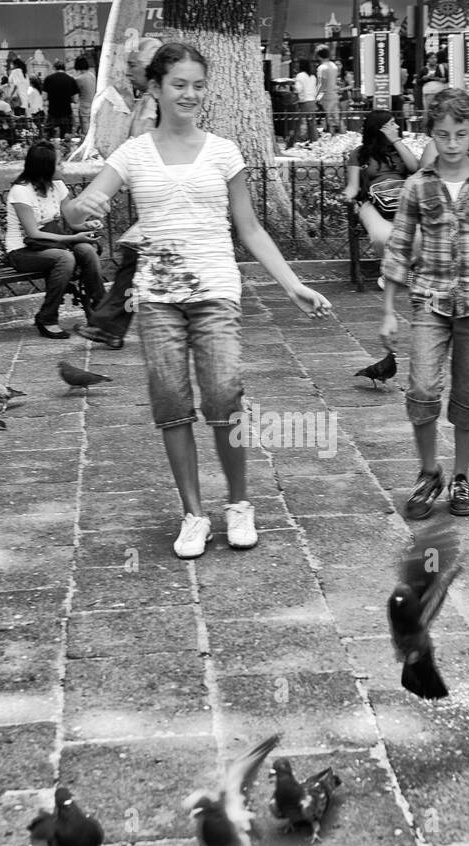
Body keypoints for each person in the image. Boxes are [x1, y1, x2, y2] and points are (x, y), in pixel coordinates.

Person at [63, 42, 333, 559]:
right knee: (171, 404)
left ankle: (238, 504)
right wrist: (81, 208)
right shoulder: (132, 153)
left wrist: (291, 283)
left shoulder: (223, 151)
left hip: (215, 291)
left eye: (198, 85)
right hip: (159, 297)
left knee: (224, 397)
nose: (190, 94)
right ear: (156, 90)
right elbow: (77, 214)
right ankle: (193, 515)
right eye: (179, 85)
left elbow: (249, 228)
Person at [381, 88, 469, 521]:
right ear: (431, 135)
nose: (453, 143)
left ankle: (461, 475)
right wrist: (388, 309)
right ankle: (429, 472)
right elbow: (399, 248)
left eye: (461, 133)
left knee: (468, 395)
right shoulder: (417, 186)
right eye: (443, 134)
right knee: (422, 390)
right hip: (429, 301)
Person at [71, 37, 161, 350]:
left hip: (165, 202)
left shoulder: (154, 103)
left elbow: (144, 147)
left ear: (151, 69)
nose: (128, 72)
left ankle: (110, 324)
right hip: (154, 201)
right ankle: (111, 324)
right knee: (136, 264)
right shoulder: (148, 100)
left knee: (136, 263)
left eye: (133, 65)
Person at [4, 141, 107, 340]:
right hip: (22, 251)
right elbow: (33, 233)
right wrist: (72, 237)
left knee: (86, 250)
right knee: (65, 259)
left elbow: (72, 221)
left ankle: (101, 313)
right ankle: (47, 318)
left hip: (52, 244)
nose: (63, 166)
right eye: (58, 164)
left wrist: (88, 225)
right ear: (45, 168)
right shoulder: (21, 192)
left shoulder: (58, 186)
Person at [343, 109, 420, 260]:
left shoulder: (398, 150)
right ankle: (392, 272)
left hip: (402, 202)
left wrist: (396, 141)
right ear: (379, 129)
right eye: (392, 124)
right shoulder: (359, 154)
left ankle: (403, 271)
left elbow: (415, 168)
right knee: (382, 236)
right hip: (372, 204)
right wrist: (347, 197)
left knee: (418, 235)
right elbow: (352, 187)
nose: (397, 127)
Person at [43, 60, 79, 139]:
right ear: (64, 68)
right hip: (66, 112)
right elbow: (76, 99)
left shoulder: (48, 79)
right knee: (66, 138)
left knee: (48, 137)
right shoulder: (71, 80)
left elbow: (44, 97)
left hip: (52, 112)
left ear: (54, 68)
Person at [316, 45, 342, 134]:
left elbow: (321, 84)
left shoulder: (322, 68)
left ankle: (332, 140)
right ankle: (342, 138)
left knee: (330, 120)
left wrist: (318, 97)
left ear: (319, 56)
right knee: (336, 118)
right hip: (334, 95)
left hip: (326, 96)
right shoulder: (334, 66)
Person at [294, 58, 319, 142]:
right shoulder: (312, 76)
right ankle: (314, 139)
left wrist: (293, 87)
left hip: (304, 102)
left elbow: (298, 89)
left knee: (300, 122)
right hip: (312, 101)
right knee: (312, 123)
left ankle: (299, 139)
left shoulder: (300, 76)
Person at [70, 55, 96, 135]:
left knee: (86, 130)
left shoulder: (78, 79)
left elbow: (74, 96)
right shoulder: (92, 75)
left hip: (84, 107)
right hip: (93, 104)